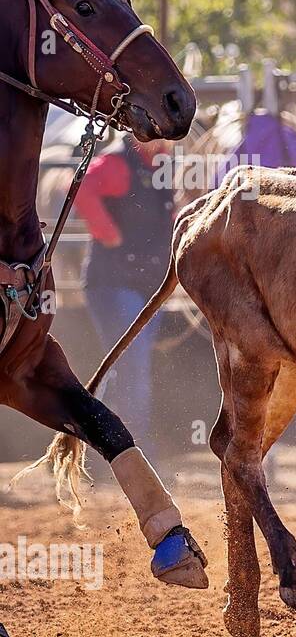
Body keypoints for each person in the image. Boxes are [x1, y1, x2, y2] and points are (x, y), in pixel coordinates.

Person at [75, 135, 175, 462]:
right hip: (115, 283)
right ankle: (134, 451)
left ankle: (99, 449)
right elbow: (79, 188)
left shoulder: (157, 165)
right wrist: (109, 234)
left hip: (143, 285)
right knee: (132, 369)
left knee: (125, 369)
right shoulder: (118, 162)